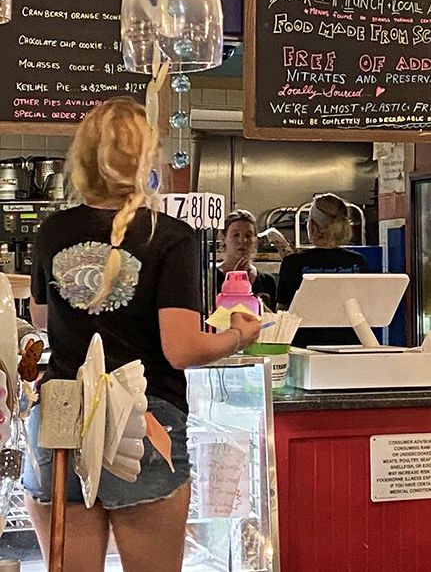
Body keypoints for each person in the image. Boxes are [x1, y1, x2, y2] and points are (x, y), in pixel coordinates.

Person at [23, 97, 260, 572]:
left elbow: (43, 320)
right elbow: (182, 348)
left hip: (62, 417)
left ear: (82, 158)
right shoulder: (170, 236)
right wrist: (239, 335)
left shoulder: (53, 231)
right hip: (143, 420)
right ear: (146, 159)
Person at [276, 193, 368, 347]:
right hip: (351, 345)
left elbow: (282, 314)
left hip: (303, 346)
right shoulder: (358, 262)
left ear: (312, 225)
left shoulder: (293, 263)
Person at [216, 210, 278, 312]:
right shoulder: (211, 278)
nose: (243, 240)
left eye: (248, 236)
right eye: (236, 235)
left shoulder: (267, 281)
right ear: (223, 238)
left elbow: (272, 318)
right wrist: (235, 284)